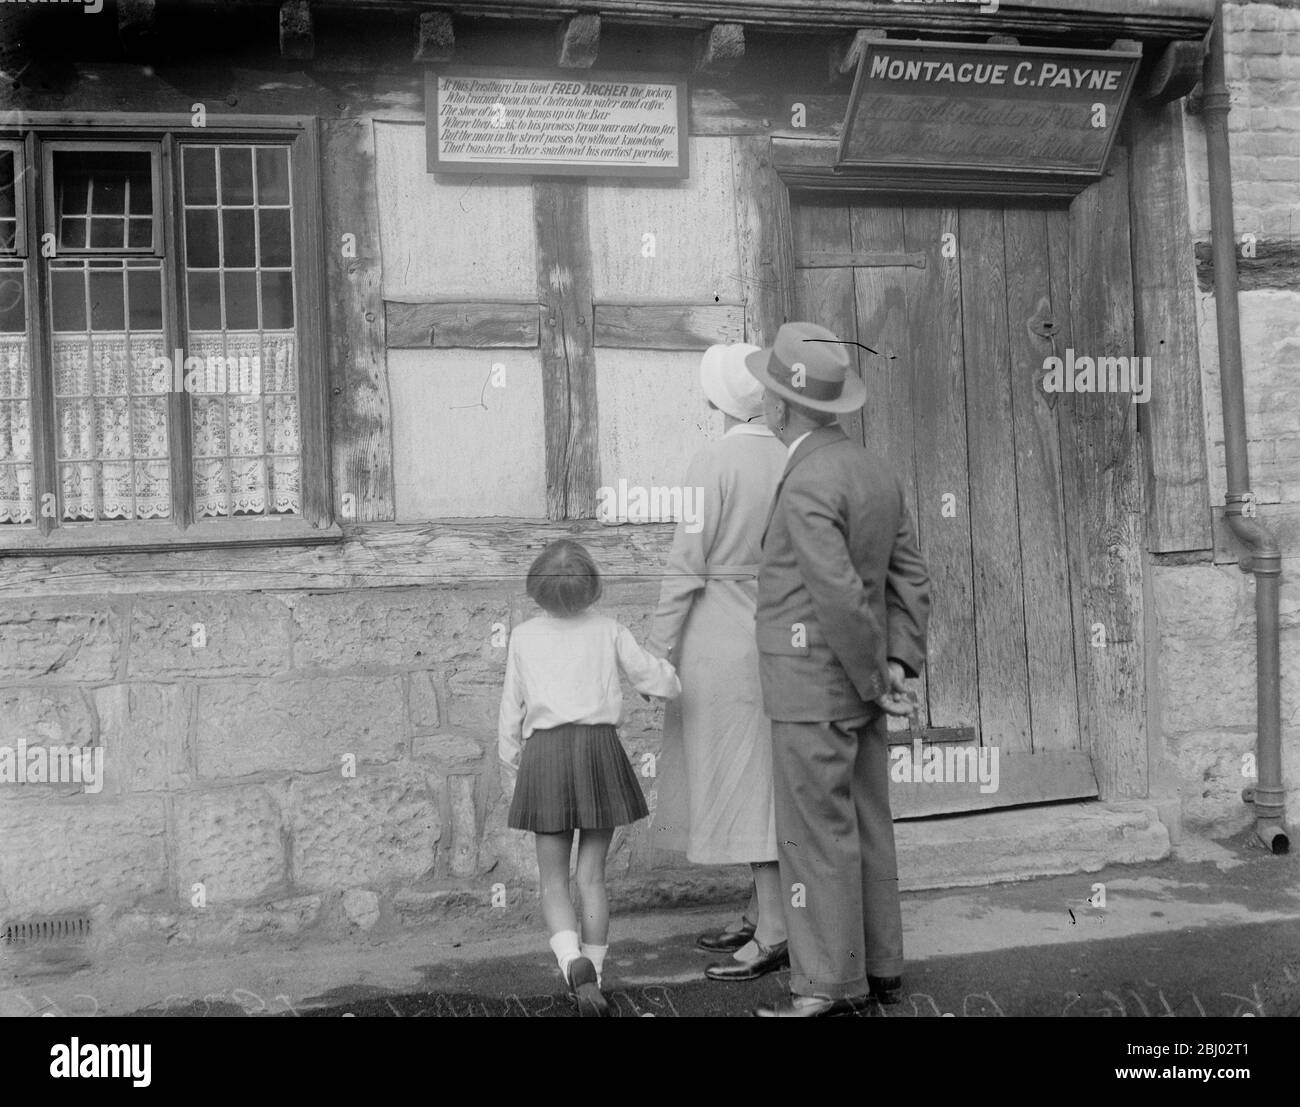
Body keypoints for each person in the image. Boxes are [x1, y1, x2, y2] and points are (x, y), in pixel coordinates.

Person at [744, 321, 931, 1018]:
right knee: (868, 822)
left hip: (811, 687)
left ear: (782, 407)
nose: (765, 402)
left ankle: (826, 983)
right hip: (861, 684)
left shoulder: (804, 481)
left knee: (815, 834)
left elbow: (837, 595)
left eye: (769, 391)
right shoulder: (872, 468)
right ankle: (880, 968)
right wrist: (893, 664)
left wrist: (870, 673)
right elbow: (910, 578)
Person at [647, 343, 790, 982]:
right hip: (773, 629)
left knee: (739, 778)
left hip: (718, 638)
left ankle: (777, 929)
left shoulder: (712, 462)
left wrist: (659, 647)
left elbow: (686, 562)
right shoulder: (788, 459)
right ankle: (757, 908)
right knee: (758, 771)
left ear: (716, 401)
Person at [498, 539, 681, 1017]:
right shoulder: (609, 630)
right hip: (599, 752)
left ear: (537, 590)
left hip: (546, 756)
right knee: (592, 878)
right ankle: (594, 976)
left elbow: (510, 709)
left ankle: (570, 960)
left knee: (553, 881)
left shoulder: (522, 638)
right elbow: (650, 677)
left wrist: (512, 760)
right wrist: (672, 681)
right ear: (592, 588)